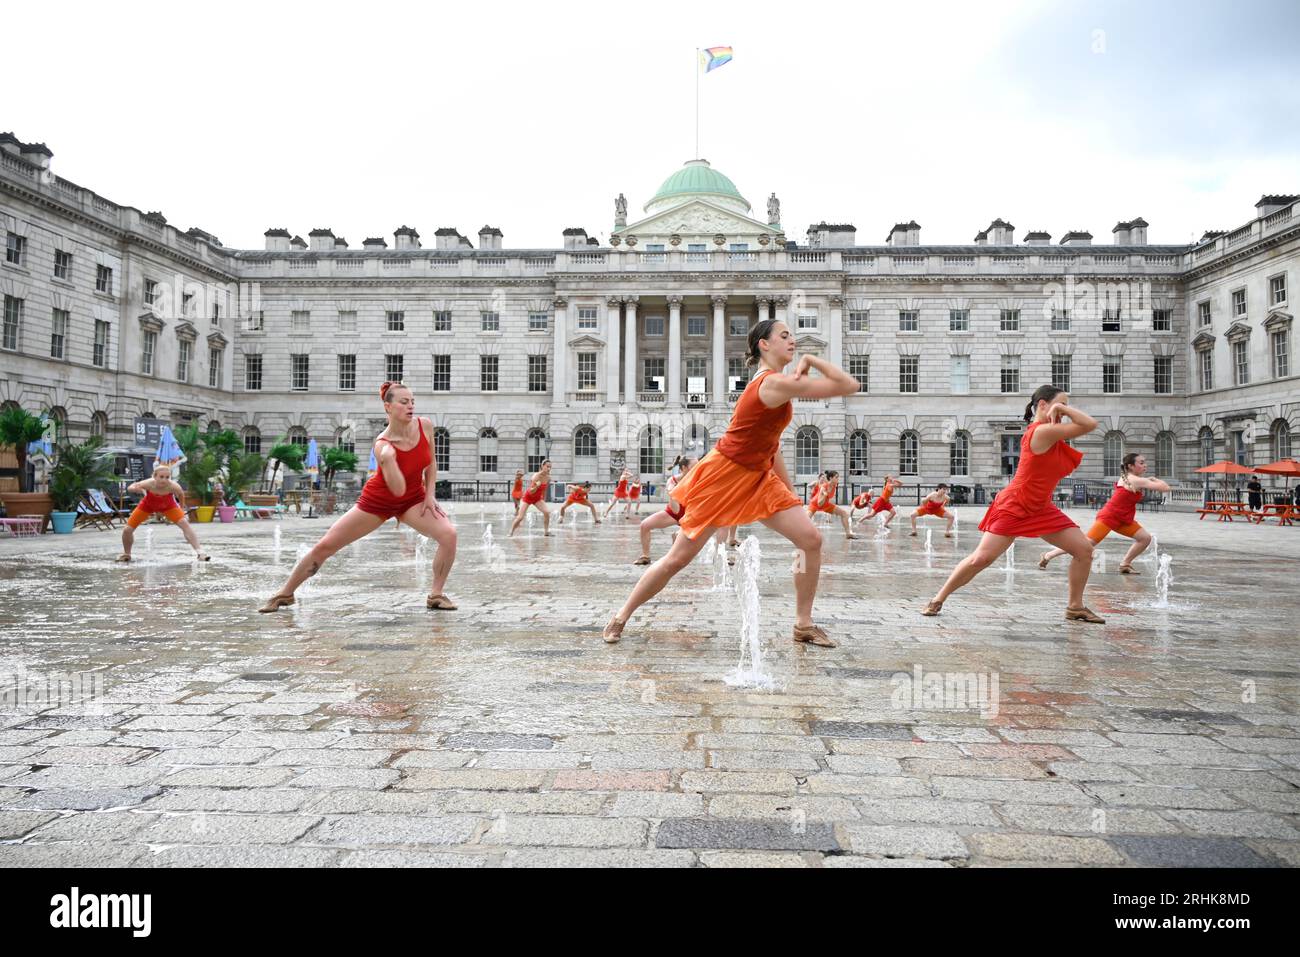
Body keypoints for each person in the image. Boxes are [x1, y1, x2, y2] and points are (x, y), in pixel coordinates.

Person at [602, 318, 860, 647]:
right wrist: (811, 361)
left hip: (758, 477)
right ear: (764, 345)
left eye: (792, 336)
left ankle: (803, 623)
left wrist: (792, 496)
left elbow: (773, 444)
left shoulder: (775, 383)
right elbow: (846, 385)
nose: (792, 341)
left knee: (810, 540)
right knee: (678, 559)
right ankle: (621, 616)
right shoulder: (771, 385)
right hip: (725, 476)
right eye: (784, 336)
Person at [258, 381, 458, 612]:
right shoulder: (383, 444)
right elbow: (393, 481)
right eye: (404, 402)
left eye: (412, 401)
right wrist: (389, 459)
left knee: (449, 535)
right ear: (388, 407)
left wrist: (430, 495)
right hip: (377, 502)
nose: (410, 406)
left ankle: (436, 594)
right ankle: (285, 593)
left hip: (413, 499)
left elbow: (431, 463)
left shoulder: (425, 426)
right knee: (326, 546)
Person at [922, 385, 1103, 622]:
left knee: (1084, 551)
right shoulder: (1041, 431)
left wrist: (1060, 408)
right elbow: (1089, 425)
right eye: (1062, 404)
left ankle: (1075, 606)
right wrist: (1061, 410)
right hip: (1015, 505)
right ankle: (938, 599)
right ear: (1043, 405)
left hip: (1041, 507)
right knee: (981, 559)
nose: (1065, 410)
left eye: (1066, 406)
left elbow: (1088, 425)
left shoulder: (1051, 431)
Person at [1039, 452, 1170, 574]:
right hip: (1110, 516)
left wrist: (1150, 480)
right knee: (1085, 544)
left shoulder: (1131, 478)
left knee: (1145, 538)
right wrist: (1155, 479)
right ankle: (1049, 555)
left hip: (1123, 518)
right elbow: (1165, 488)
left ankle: (1125, 564)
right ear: (1131, 466)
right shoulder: (1134, 479)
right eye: (1141, 463)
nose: (1145, 465)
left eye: (1144, 462)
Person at [116, 464, 210, 562]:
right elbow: (131, 487)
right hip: (147, 506)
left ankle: (200, 553)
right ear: (154, 477)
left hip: (168, 506)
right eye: (161, 477)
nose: (164, 480)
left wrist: (181, 509)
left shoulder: (173, 486)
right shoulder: (148, 483)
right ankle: (127, 554)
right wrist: (134, 488)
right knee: (127, 529)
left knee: (185, 524)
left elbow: (181, 494)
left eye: (167, 477)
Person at [634, 456, 696, 565]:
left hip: (691, 515)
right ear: (684, 468)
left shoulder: (698, 480)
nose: (698, 468)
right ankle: (645, 556)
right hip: (674, 513)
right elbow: (675, 510)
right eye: (694, 466)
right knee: (645, 525)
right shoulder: (672, 481)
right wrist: (672, 493)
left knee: (678, 537)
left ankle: (675, 555)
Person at [807, 470, 858, 539]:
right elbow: (819, 503)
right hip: (815, 504)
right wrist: (825, 495)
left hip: (826, 504)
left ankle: (848, 534)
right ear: (831, 478)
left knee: (844, 514)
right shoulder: (824, 487)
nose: (838, 479)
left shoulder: (834, 485)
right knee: (805, 520)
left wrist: (826, 495)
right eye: (836, 477)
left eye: (838, 477)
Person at [509, 460, 553, 536]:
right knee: (520, 517)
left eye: (550, 467)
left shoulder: (548, 478)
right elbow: (531, 491)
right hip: (528, 497)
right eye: (547, 466)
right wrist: (536, 486)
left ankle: (546, 532)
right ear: (542, 466)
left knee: (547, 512)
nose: (549, 468)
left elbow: (545, 489)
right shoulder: (536, 476)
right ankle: (511, 532)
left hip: (537, 499)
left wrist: (543, 499)